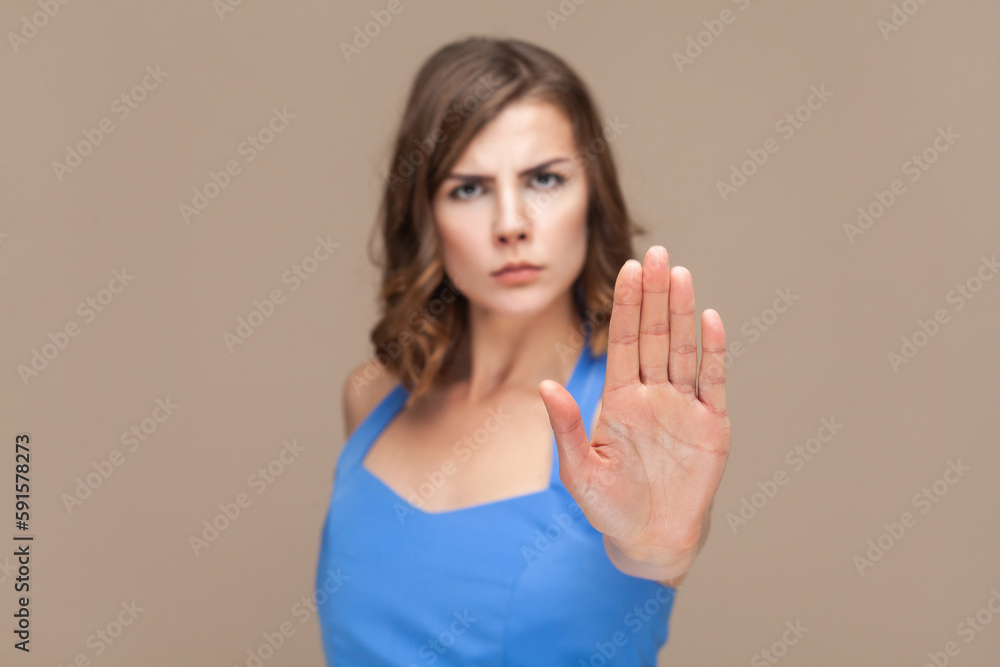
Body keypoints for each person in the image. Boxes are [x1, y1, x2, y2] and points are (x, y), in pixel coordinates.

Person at [316, 35, 732, 666]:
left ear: (592, 196)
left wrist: (662, 546)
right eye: (468, 188)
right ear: (426, 214)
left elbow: (655, 550)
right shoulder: (371, 397)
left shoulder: (632, 419)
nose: (511, 222)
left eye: (544, 178)